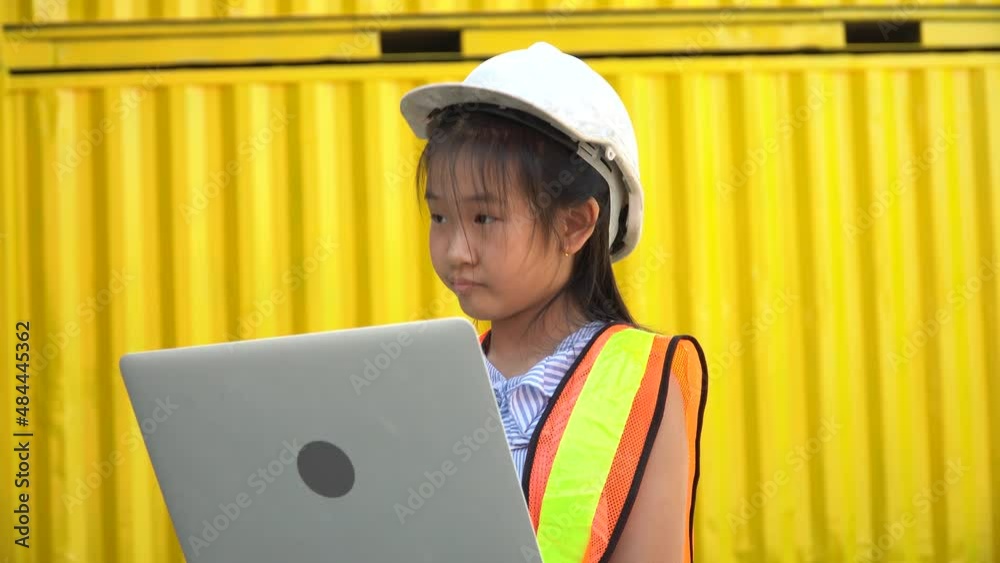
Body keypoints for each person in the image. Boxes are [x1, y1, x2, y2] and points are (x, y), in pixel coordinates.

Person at [399, 41, 708, 563]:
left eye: (484, 219)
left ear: (575, 224)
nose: (456, 251)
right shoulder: (437, 376)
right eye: (440, 218)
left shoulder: (638, 381)